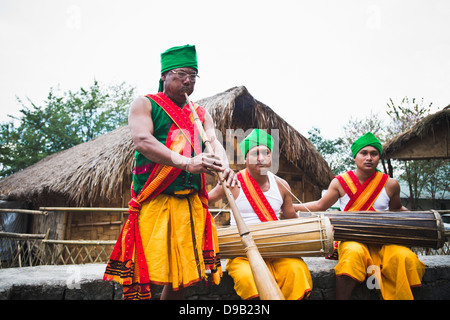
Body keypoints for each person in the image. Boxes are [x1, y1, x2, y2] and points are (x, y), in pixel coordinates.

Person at [103, 45, 237, 300]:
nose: (188, 81)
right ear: (164, 75)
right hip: (155, 200)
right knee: (150, 270)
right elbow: (142, 140)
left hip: (191, 203)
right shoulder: (145, 104)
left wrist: (225, 166)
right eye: (181, 74)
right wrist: (186, 163)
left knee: (183, 278)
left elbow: (213, 141)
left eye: (193, 76)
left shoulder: (201, 113)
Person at [294, 132, 425, 300]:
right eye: (364, 153)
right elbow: (320, 205)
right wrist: (290, 206)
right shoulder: (340, 182)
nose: (369, 157)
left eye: (374, 153)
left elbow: (397, 209)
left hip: (383, 240)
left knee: (403, 256)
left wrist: (420, 219)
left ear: (378, 157)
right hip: (352, 238)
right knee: (352, 254)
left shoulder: (390, 184)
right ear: (355, 157)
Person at [209, 129, 313, 300]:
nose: (261, 158)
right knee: (246, 278)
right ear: (245, 158)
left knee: (297, 270)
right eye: (255, 153)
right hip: (242, 253)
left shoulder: (281, 185)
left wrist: (314, 225)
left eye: (266, 153)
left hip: (276, 250)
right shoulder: (232, 182)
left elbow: (292, 218)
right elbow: (203, 201)